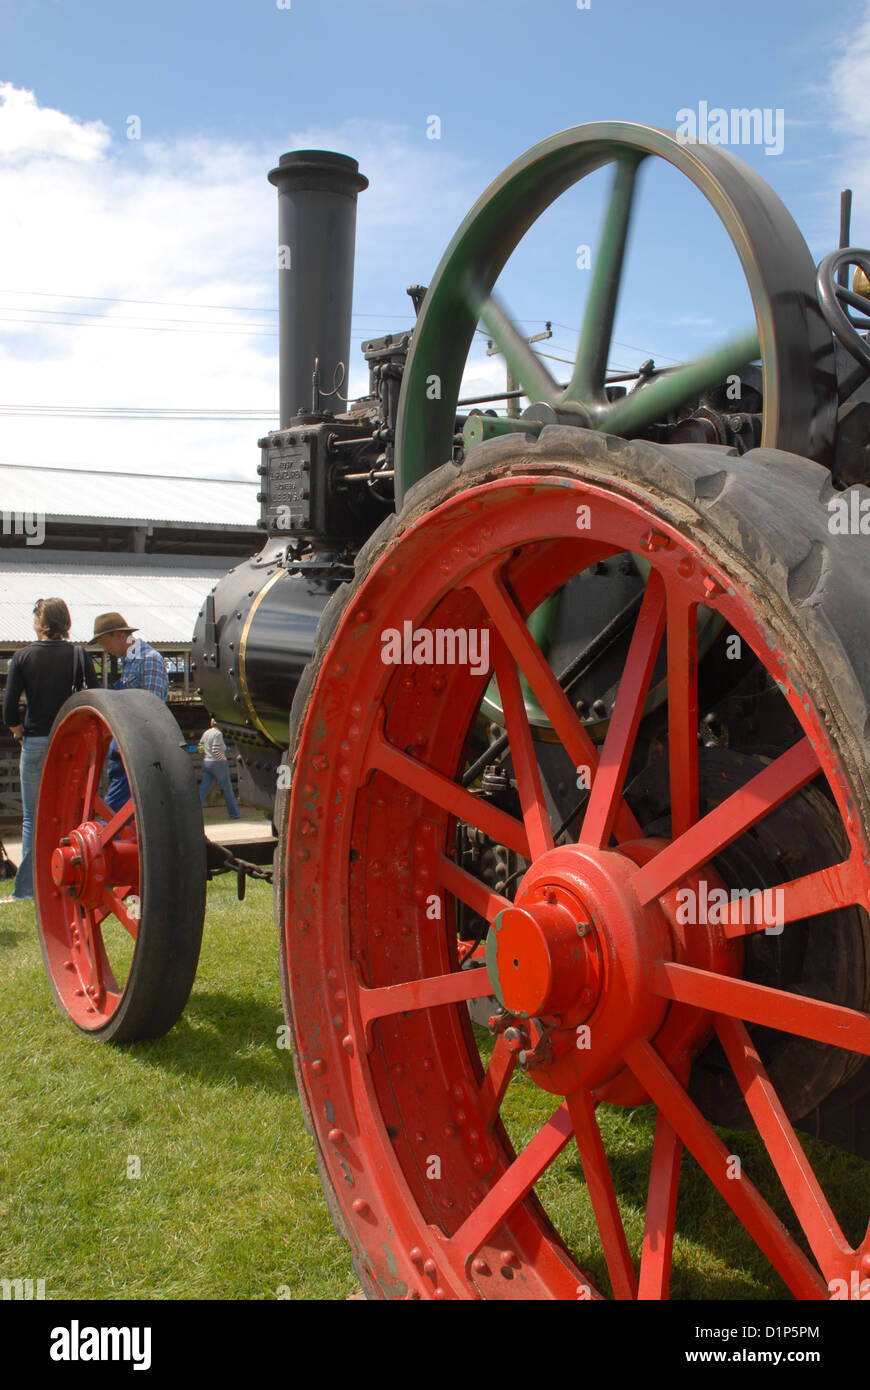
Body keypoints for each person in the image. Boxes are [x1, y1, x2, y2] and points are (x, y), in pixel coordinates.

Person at [1, 598, 98, 902]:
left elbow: (9, 705)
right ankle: (73, 875)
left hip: (35, 740)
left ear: (40, 622)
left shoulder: (22, 657)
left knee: (33, 817)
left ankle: (27, 889)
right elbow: (92, 694)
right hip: (69, 740)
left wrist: (17, 731)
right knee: (72, 811)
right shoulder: (78, 655)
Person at [91, 612, 169, 812]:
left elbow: (152, 708)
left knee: (115, 808)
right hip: (126, 744)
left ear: (118, 635)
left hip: (138, 748)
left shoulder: (149, 659)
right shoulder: (130, 660)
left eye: (104, 642)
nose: (105, 649)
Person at [198, 718, 242, 820]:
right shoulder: (218, 734)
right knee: (227, 789)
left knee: (203, 789)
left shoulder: (206, 732)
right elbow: (215, 749)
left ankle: (195, 812)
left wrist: (204, 754)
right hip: (218, 763)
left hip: (207, 762)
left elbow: (200, 746)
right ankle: (234, 814)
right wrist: (223, 758)